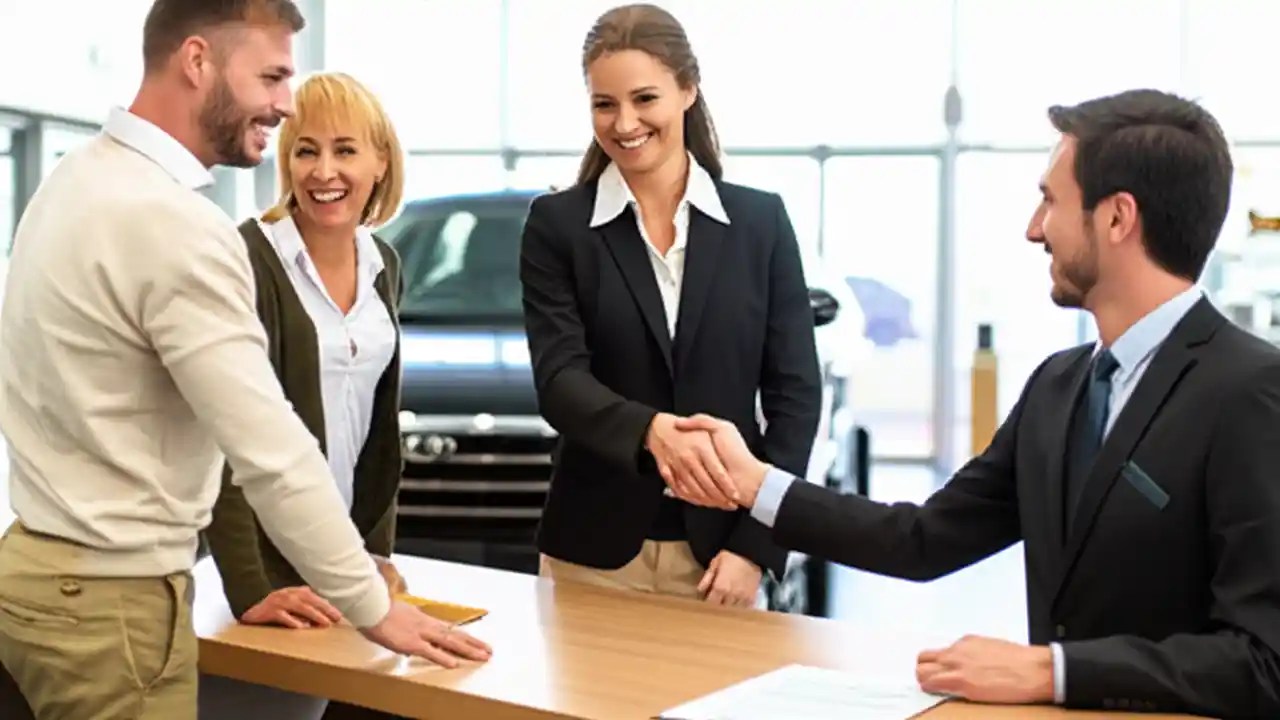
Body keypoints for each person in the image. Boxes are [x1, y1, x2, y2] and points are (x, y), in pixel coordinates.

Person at [678, 88, 1280, 718]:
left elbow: (1262, 661)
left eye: (1051, 200)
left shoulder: (1251, 393)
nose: (1033, 228)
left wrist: (1056, 670)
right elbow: (922, 539)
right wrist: (755, 484)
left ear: (1117, 218)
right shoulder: (1057, 386)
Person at [0, 2, 489, 718]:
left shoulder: (74, 182)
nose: (283, 104)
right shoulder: (179, 227)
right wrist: (369, 605)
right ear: (198, 62)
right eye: (272, 76)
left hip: (38, 569)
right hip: (115, 606)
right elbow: (265, 446)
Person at [519, 2, 821, 607]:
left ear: (688, 89)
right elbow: (560, 382)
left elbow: (795, 397)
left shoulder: (759, 223)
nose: (624, 122)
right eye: (605, 104)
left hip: (722, 558)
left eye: (644, 99)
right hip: (592, 555)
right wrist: (652, 432)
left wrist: (755, 544)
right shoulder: (558, 226)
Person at [197, 71, 417, 720]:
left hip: (335, 558)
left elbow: (375, 431)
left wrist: (369, 555)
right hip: (260, 561)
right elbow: (223, 432)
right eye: (306, 149)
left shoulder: (383, 264)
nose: (324, 170)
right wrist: (249, 586)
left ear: (381, 161)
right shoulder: (247, 257)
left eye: (346, 150)